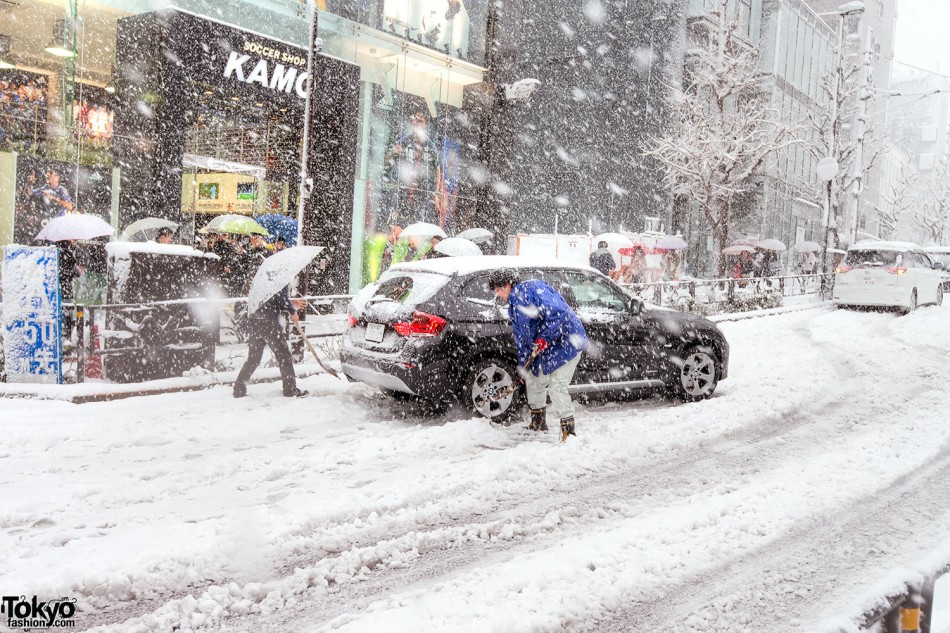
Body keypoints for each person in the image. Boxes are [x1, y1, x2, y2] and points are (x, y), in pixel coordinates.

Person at [489, 268, 589, 442]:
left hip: (568, 342)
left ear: (506, 285)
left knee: (557, 386)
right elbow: (523, 339)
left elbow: (558, 314)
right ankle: (538, 422)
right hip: (548, 347)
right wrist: (523, 366)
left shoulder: (533, 289)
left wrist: (545, 338)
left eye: (498, 289)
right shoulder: (514, 306)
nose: (498, 294)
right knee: (533, 380)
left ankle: (569, 431)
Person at [233, 286, 308, 398]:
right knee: (284, 356)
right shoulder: (279, 279)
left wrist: (291, 302)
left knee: (253, 358)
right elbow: (280, 298)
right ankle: (290, 390)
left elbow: (271, 299)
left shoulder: (263, 281)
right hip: (269, 323)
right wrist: (292, 311)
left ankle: (239, 389)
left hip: (255, 321)